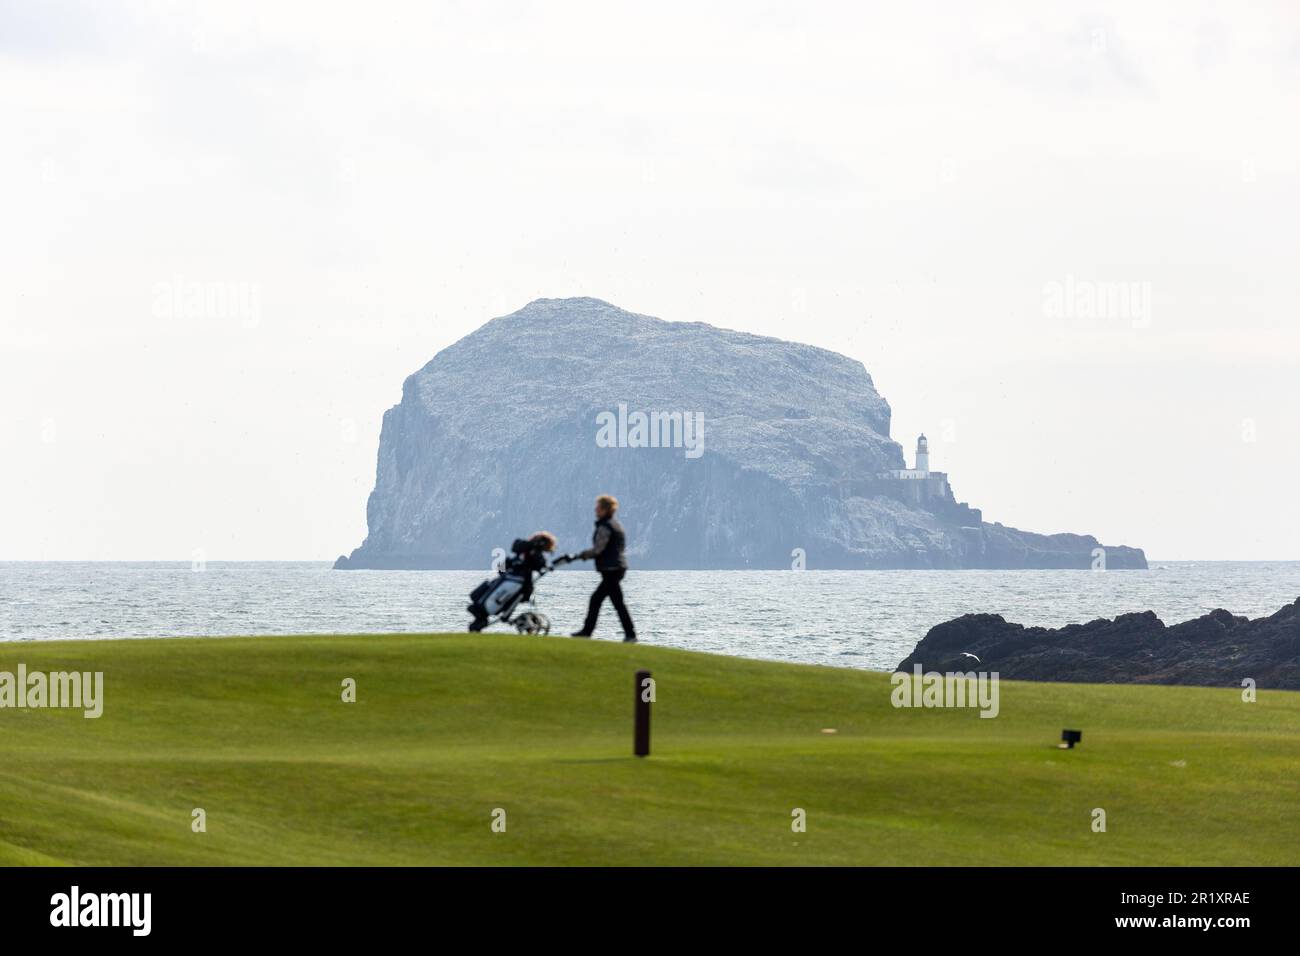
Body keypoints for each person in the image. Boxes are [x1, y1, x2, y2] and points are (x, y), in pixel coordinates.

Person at [569, 495, 636, 642]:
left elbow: (598, 549)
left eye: (598, 507)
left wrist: (581, 555)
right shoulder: (616, 525)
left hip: (611, 569)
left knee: (601, 600)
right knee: (610, 601)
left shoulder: (605, 526)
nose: (595, 510)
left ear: (605, 509)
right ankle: (629, 634)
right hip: (618, 567)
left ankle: (589, 632)